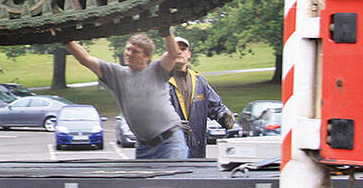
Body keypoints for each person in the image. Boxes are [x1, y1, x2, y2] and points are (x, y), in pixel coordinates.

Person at [65, 28, 187, 160]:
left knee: (173, 180)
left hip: (169, 142)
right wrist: (66, 39)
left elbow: (173, 54)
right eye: (128, 49)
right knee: (145, 181)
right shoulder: (116, 74)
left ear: (147, 57)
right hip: (143, 146)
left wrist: (166, 30)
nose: (129, 53)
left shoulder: (158, 69)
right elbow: (85, 59)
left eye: (135, 52)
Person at [167, 36, 236, 158]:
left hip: (197, 151)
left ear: (189, 54)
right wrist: (171, 126)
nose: (179, 52)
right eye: (175, 49)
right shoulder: (159, 81)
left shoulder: (199, 81)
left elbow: (215, 107)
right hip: (168, 151)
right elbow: (150, 116)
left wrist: (223, 115)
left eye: (183, 49)